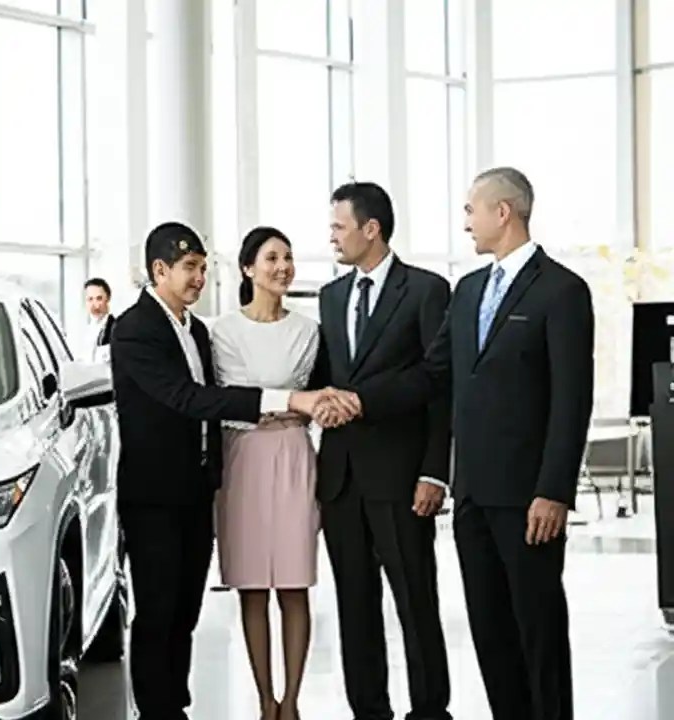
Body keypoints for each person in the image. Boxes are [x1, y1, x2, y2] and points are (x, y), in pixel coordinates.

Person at [337, 167, 595, 720]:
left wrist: (554, 490)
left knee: (539, 632)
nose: (465, 223)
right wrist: (362, 400)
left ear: (503, 212)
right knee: (491, 634)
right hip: (474, 497)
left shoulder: (562, 291)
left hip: (529, 500)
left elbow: (572, 402)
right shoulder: (470, 289)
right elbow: (433, 374)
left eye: (470, 210)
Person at [110, 221, 328, 720]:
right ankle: (156, 710)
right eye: (189, 268)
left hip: (196, 490)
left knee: (185, 609)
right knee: (158, 610)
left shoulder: (196, 330)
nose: (198, 279)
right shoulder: (135, 329)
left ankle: (175, 702)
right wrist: (286, 400)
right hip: (154, 496)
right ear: (158, 269)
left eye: (204, 269)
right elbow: (189, 399)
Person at [308, 181, 453, 720]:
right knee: (354, 605)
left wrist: (434, 472)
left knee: (417, 602)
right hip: (341, 478)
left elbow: (440, 384)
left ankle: (430, 711)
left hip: (401, 476)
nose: (332, 238)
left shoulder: (426, 291)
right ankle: (369, 710)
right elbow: (329, 377)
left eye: (339, 227)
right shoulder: (331, 295)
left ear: (371, 229)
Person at [210, 227, 320, 720]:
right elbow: (233, 401)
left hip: (295, 455)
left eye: (288, 257)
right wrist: (280, 404)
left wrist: (268, 405)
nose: (283, 266)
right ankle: (264, 700)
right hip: (243, 459)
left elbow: (272, 397)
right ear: (248, 268)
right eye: (272, 257)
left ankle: (292, 701)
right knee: (253, 586)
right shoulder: (222, 332)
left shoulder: (309, 330)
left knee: (295, 583)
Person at [80, 278, 115, 362]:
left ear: (108, 298)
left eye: (99, 298)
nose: (95, 305)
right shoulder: (87, 331)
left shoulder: (116, 328)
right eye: (90, 299)